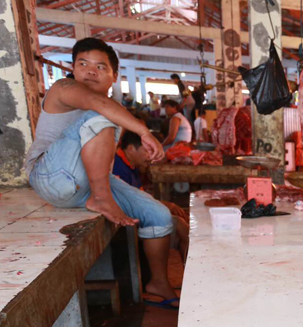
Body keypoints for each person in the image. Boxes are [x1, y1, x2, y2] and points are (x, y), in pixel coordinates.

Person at [24, 37, 180, 307]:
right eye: (83, 64)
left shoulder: (109, 107)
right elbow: (98, 107)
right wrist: (144, 131)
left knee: (159, 215)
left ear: (114, 76)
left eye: (100, 66)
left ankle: (159, 284)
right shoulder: (64, 88)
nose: (90, 71)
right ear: (73, 69)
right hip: (51, 177)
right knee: (102, 114)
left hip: (85, 182)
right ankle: (100, 197)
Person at [113, 130, 190, 262]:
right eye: (147, 151)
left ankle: (188, 274)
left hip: (138, 216)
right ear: (131, 149)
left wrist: (168, 206)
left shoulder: (132, 166)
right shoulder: (117, 167)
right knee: (182, 227)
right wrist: (167, 206)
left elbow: (140, 196)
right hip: (127, 224)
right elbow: (132, 203)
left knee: (184, 226)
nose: (151, 157)